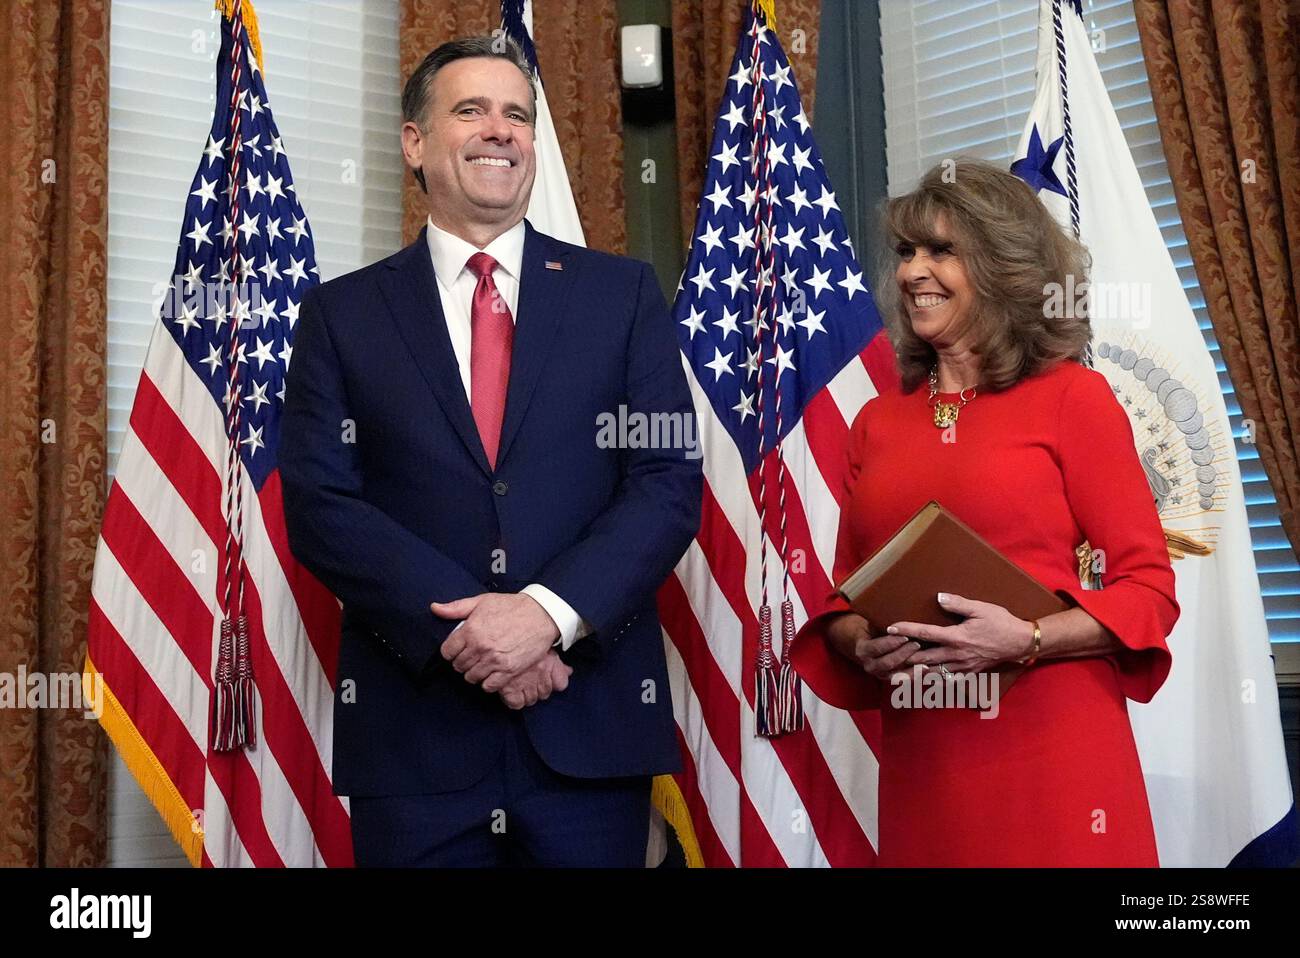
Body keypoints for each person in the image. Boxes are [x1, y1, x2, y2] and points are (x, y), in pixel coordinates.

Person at [279, 36, 702, 867]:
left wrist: (545, 616)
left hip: (587, 732)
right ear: (415, 142)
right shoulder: (342, 316)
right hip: (416, 742)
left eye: (517, 115)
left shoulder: (621, 297)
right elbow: (323, 506)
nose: (499, 131)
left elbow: (665, 482)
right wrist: (479, 635)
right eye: (470, 110)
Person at [790, 160, 1180, 866]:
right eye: (907, 252)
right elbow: (845, 592)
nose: (913, 271)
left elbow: (1147, 591)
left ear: (1002, 268)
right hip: (927, 762)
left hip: (1054, 760)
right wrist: (859, 642)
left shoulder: (1073, 399)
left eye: (941, 251)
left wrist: (1026, 637)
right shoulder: (878, 422)